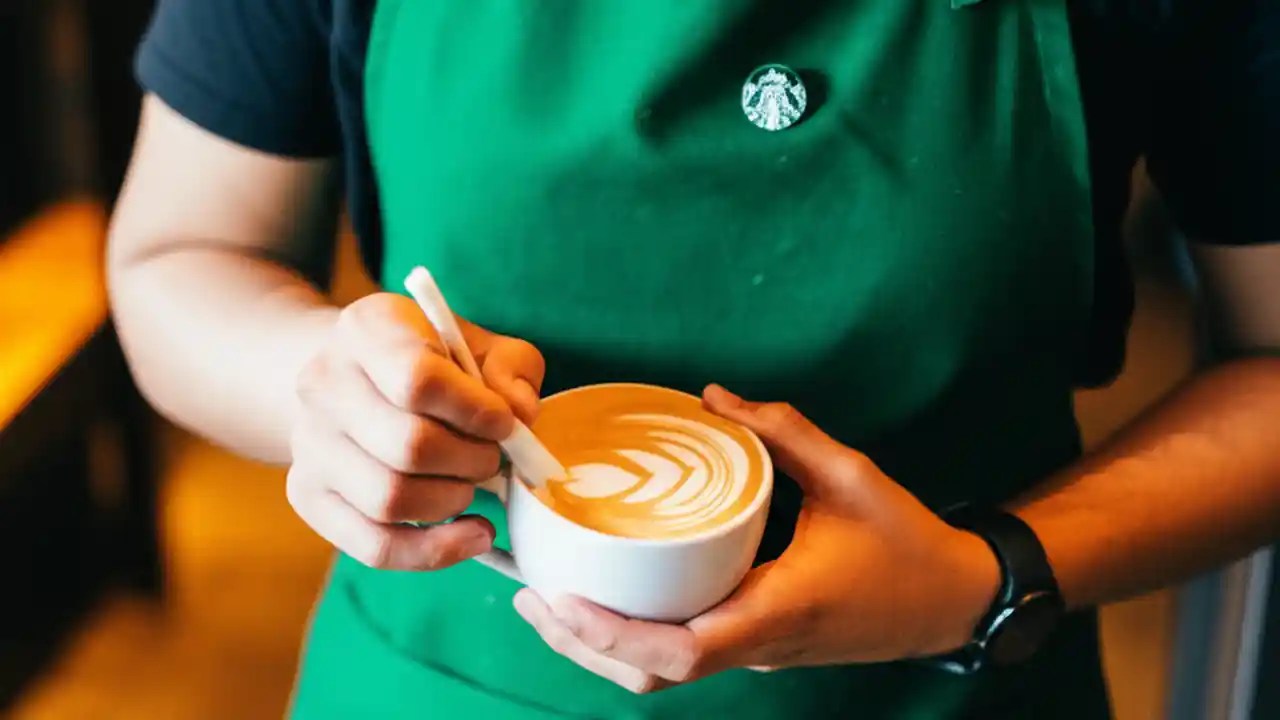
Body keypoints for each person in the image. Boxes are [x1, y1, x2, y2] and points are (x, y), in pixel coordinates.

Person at [107, 1, 1280, 717]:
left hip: (953, 682)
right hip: (444, 684)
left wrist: (983, 577)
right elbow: (181, 253)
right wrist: (313, 384)